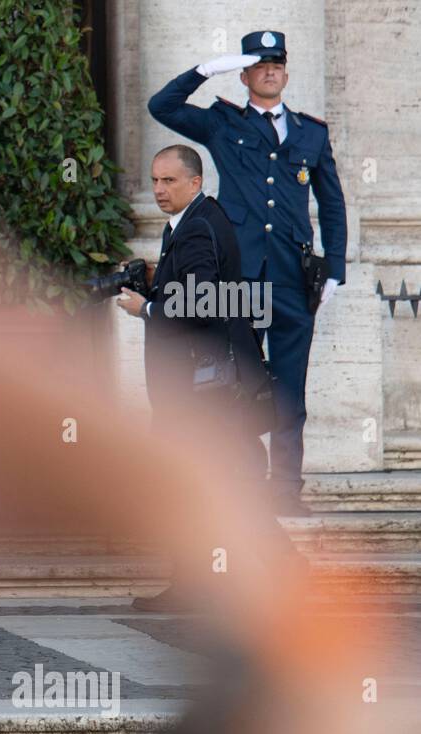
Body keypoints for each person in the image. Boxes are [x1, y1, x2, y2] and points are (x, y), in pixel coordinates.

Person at [148, 31, 348, 516]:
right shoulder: (222, 124)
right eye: (259, 64)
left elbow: (332, 201)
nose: (269, 70)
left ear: (285, 70)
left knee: (288, 386)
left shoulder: (310, 133)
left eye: (276, 62)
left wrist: (336, 267)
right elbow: (162, 106)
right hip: (237, 279)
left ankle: (283, 490)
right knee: (232, 380)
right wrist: (206, 68)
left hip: (291, 277)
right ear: (244, 74)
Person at [117, 144, 299, 612]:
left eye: (169, 181)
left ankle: (288, 575)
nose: (159, 190)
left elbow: (200, 305)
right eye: (155, 181)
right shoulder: (195, 221)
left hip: (206, 399)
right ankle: (194, 585)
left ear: (195, 182)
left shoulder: (196, 228)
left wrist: (148, 308)